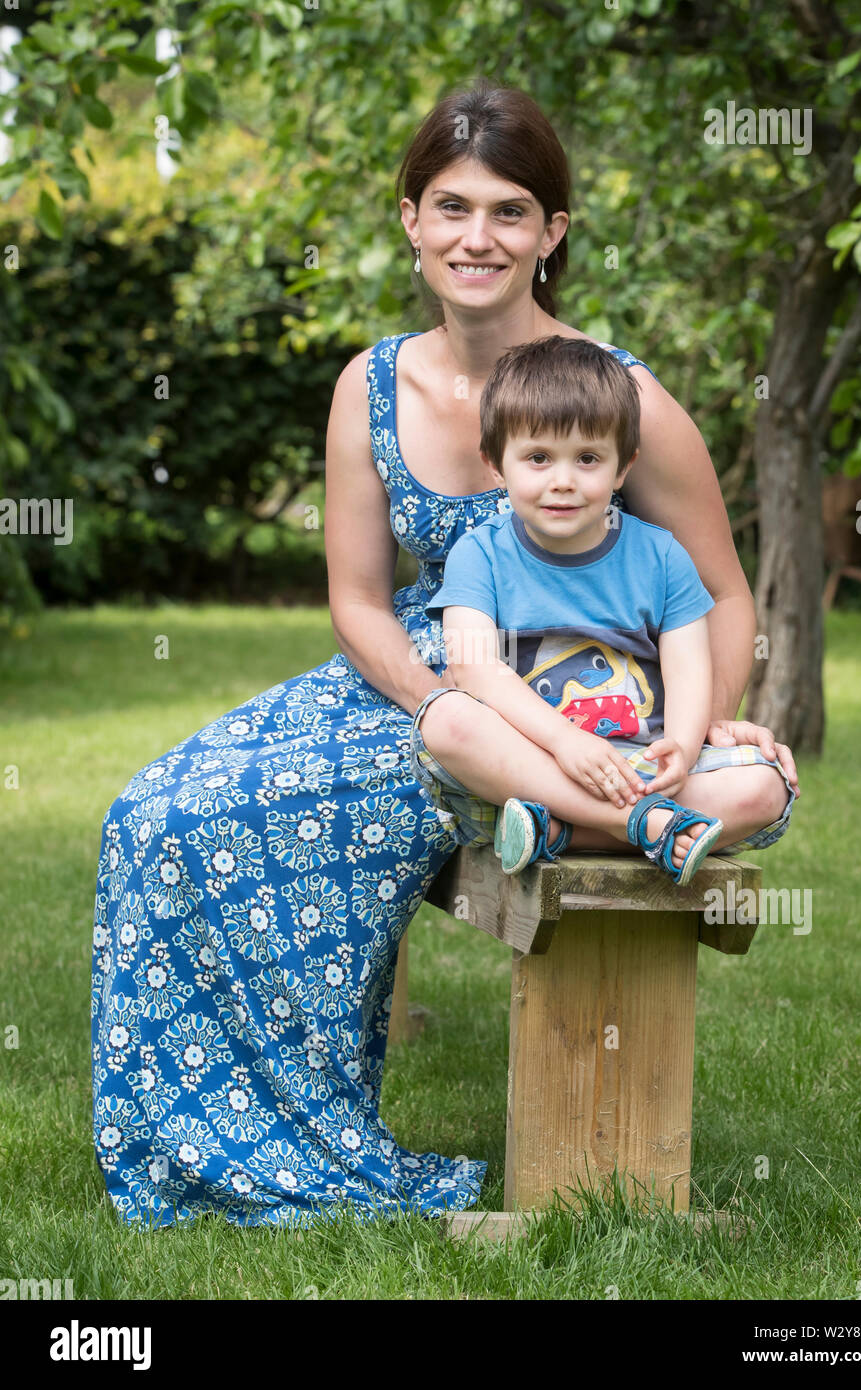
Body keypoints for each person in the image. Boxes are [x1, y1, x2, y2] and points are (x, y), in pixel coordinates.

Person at [91, 77, 799, 1229]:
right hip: (422, 690)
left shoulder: (617, 394)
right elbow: (361, 605)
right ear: (412, 219)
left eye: (511, 211)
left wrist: (705, 716)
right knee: (154, 812)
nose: (480, 237)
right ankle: (222, 1141)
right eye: (453, 206)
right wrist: (434, 704)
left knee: (228, 822)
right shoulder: (370, 386)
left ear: (551, 232)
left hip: (590, 691)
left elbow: (718, 590)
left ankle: (299, 1140)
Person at [410, 336, 794, 884]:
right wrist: (566, 742)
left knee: (765, 785)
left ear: (622, 467)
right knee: (445, 718)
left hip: (640, 765)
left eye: (587, 458)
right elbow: (474, 670)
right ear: (496, 465)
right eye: (538, 458)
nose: (563, 480)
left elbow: (688, 664)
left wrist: (682, 749)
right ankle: (650, 826)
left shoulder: (660, 556)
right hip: (533, 765)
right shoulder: (481, 554)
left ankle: (571, 832)